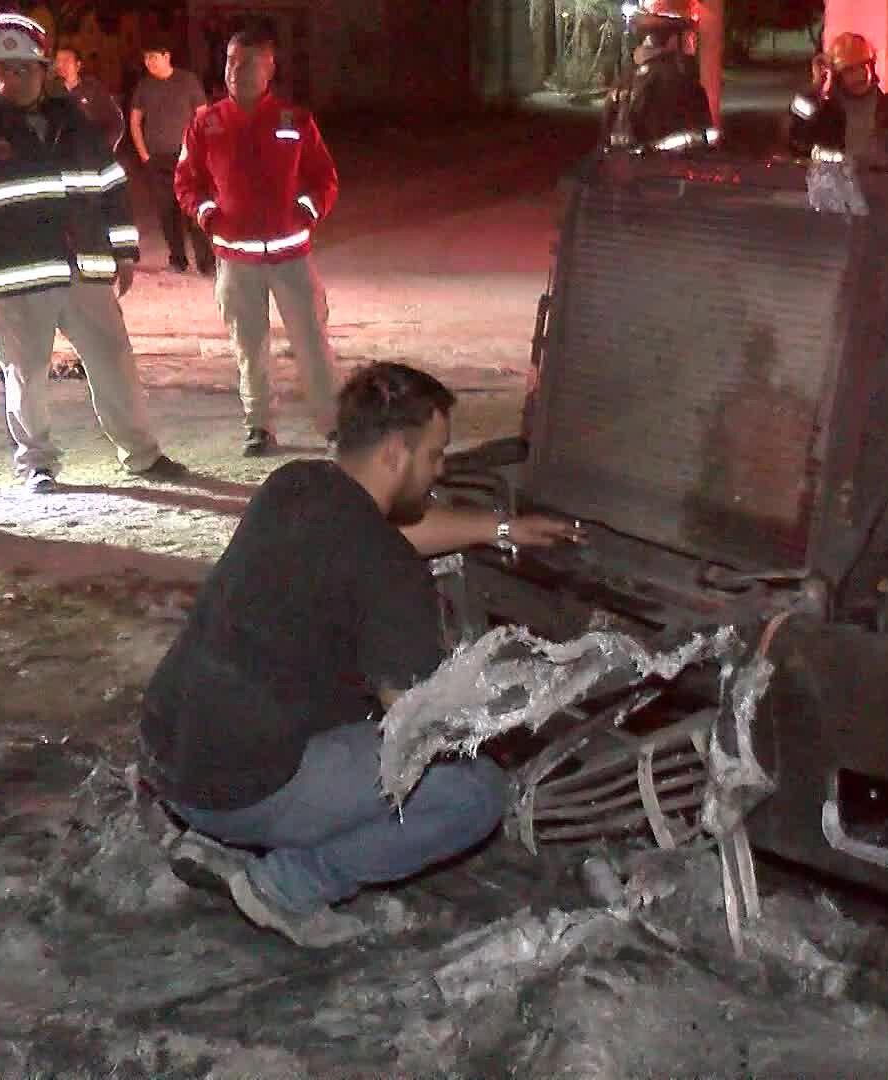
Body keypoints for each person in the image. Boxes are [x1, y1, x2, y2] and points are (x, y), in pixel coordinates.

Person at [141, 362, 583, 946]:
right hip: (236, 790)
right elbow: (412, 731)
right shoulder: (391, 575)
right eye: (435, 455)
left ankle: (214, 838)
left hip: (168, 756)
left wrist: (500, 529)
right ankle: (287, 886)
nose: (440, 470)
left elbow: (386, 533)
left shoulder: (295, 486)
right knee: (474, 795)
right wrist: (510, 704)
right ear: (397, 453)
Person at [0, 13, 184, 490]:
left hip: (83, 272)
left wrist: (125, 251)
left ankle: (143, 455)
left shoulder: (75, 124)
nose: (16, 78)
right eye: (6, 69)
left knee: (114, 363)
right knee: (26, 377)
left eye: (25, 68)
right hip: (16, 280)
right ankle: (37, 464)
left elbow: (112, 187)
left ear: (43, 70)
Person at [175, 25, 339, 457]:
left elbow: (324, 178)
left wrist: (306, 211)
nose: (236, 70)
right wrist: (207, 215)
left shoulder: (294, 121)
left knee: (312, 344)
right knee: (249, 348)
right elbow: (186, 182)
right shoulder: (205, 123)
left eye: (248, 63)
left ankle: (334, 426)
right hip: (236, 260)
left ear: (270, 69)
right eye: (231, 61)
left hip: (292, 258)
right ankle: (260, 426)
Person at [129, 43, 212, 274]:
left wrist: (201, 151)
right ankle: (177, 259)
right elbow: (134, 121)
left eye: (153, 57)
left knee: (193, 211)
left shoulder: (187, 81)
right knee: (167, 211)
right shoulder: (144, 87)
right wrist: (144, 154)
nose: (149, 62)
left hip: (188, 158)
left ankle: (206, 263)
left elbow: (203, 116)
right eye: (146, 58)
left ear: (167, 56)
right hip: (157, 159)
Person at [604, 0, 716, 155]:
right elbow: (705, 137)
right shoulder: (683, 82)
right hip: (668, 167)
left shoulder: (624, 80)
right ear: (672, 39)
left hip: (622, 163)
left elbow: (607, 126)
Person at [785, 31, 888, 165]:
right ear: (837, 75)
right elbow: (796, 141)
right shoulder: (828, 113)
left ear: (872, 66)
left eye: (863, 66)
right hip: (833, 182)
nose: (858, 75)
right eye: (849, 70)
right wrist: (816, 86)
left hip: (878, 183)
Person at [51, 46, 125, 151]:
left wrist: (106, 146)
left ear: (78, 65)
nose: (61, 65)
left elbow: (115, 120)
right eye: (58, 61)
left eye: (66, 60)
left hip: (90, 154)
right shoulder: (51, 90)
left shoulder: (93, 88)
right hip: (60, 156)